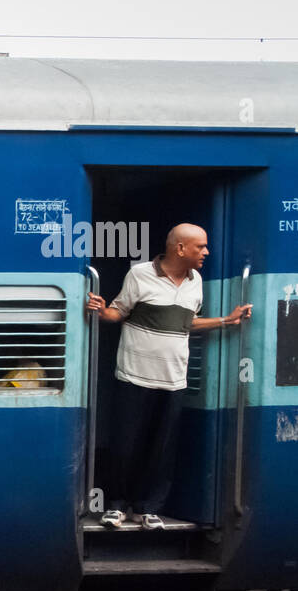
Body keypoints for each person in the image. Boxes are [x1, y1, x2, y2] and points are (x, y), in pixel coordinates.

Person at [86, 223, 251, 529]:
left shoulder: (195, 281)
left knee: (161, 447)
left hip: (174, 378)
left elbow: (186, 323)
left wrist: (226, 321)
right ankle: (117, 505)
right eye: (200, 246)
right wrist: (99, 309)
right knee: (125, 444)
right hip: (133, 374)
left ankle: (147, 507)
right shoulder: (140, 274)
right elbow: (118, 313)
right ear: (179, 248)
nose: (206, 252)